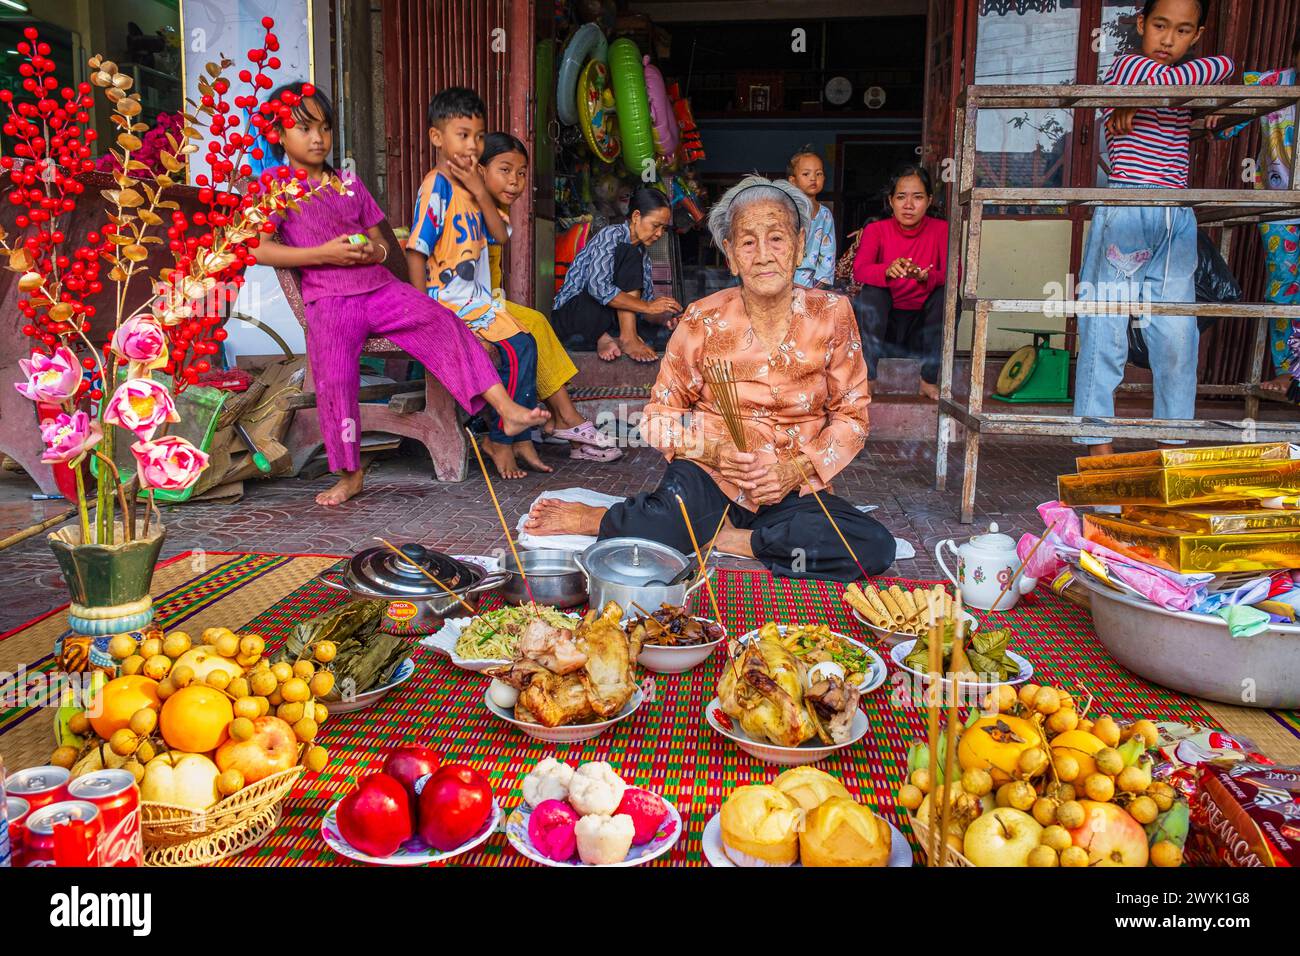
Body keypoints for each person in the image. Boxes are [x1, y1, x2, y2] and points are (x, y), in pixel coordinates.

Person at [525, 175, 896, 582]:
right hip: (711, 473)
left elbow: (851, 417)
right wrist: (713, 451)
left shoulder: (833, 313)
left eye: (777, 238)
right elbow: (658, 416)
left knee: (872, 546)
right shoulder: (702, 318)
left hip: (790, 484)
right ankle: (602, 518)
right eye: (748, 242)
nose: (763, 255)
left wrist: (795, 469)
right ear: (731, 255)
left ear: (800, 246)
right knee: (664, 526)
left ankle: (741, 539)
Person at [249, 83, 547, 506]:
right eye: (304, 128)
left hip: (379, 288)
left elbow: (384, 244)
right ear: (279, 134)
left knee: (443, 320)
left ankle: (506, 408)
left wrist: (375, 251)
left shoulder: (349, 184)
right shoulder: (275, 189)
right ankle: (349, 473)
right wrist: (323, 253)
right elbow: (257, 249)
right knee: (335, 379)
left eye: (325, 128)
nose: (318, 138)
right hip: (328, 300)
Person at [1074, 0, 1233, 455]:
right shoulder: (1126, 66)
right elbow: (1175, 77)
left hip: (1175, 217)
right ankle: (1097, 444)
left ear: (1197, 35)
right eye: (1160, 26)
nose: (1168, 39)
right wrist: (1151, 92)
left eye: (1183, 31)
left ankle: (1173, 446)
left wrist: (1185, 102)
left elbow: (1228, 66)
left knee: (1177, 337)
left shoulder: (1175, 80)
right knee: (1105, 329)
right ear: (1140, 24)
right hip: (1128, 207)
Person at [406, 87, 547, 479]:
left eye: (478, 136)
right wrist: (422, 311)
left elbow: (501, 235)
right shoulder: (437, 186)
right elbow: (416, 250)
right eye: (462, 135)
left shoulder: (474, 190)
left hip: (476, 302)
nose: (472, 145)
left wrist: (479, 188)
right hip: (446, 303)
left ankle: (502, 438)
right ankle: (501, 441)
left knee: (524, 345)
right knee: (515, 349)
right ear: (438, 138)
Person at [479, 133, 621, 462]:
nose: (514, 181)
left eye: (521, 173)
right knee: (532, 324)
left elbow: (493, 277)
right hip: (463, 307)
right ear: (480, 169)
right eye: (504, 170)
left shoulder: (495, 211)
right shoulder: (471, 211)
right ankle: (565, 419)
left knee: (535, 321)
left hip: (485, 302)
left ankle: (563, 418)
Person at [1216, 27, 1299, 399]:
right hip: (1282, 209)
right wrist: (1225, 117)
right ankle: (1290, 372)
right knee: (1285, 290)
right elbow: (1226, 127)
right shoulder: (1275, 84)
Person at [551, 187, 683, 363]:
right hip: (575, 313)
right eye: (656, 225)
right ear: (636, 216)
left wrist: (665, 316)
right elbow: (598, 288)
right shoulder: (611, 235)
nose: (660, 233)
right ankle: (625, 338)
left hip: (606, 319)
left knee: (662, 336)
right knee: (628, 254)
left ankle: (610, 337)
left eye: (664, 228)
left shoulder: (642, 253)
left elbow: (641, 307)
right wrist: (647, 306)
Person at [851, 165, 948, 401]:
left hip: (922, 330)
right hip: (886, 330)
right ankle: (869, 378)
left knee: (946, 295)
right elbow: (860, 270)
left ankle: (927, 381)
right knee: (872, 292)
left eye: (918, 197)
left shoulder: (942, 230)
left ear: (929, 200)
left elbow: (953, 275)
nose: (909, 205)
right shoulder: (876, 230)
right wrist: (887, 270)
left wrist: (928, 277)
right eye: (901, 197)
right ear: (891, 201)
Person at [788, 146, 836, 289]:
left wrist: (818, 285)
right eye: (806, 174)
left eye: (819, 174)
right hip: (786, 279)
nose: (813, 178)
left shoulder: (825, 214)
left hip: (814, 282)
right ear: (793, 181)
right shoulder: (786, 211)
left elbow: (829, 251)